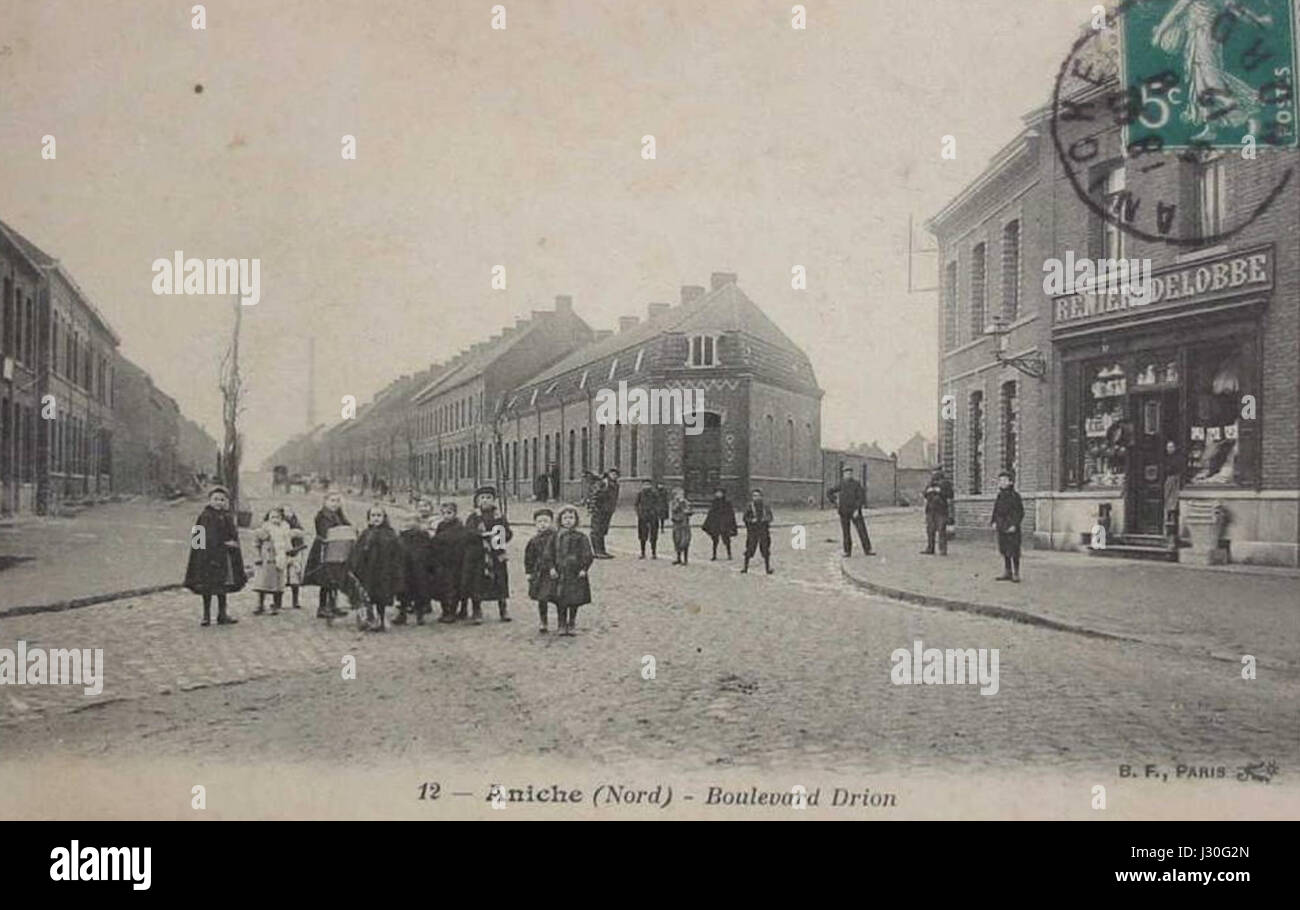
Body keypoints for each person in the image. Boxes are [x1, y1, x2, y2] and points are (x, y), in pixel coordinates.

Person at [183, 485, 246, 626]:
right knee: (207, 587)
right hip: (207, 558)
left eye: (222, 500)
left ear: (226, 502)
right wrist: (198, 558)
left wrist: (233, 544)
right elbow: (197, 540)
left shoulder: (227, 517)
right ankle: (206, 616)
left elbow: (233, 535)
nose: (219, 502)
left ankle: (222, 614)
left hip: (224, 559)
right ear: (209, 500)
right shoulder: (204, 517)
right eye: (216, 499)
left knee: (222, 587)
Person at [349, 505, 406, 631]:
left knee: (382, 596)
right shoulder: (365, 534)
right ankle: (369, 618)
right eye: (373, 516)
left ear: (384, 518)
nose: (376, 518)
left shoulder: (390, 534)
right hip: (368, 571)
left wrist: (395, 569)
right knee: (367, 595)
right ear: (369, 518)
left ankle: (381, 618)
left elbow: (397, 553)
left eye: (379, 515)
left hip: (384, 571)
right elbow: (358, 551)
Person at [465, 485, 513, 623]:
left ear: (494, 500)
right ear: (477, 501)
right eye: (482, 498)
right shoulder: (473, 517)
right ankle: (476, 610)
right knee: (477, 582)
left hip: (497, 554)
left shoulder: (499, 516)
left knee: (500, 581)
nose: (485, 501)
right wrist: (481, 534)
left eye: (488, 498)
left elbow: (508, 533)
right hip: (479, 555)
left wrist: (501, 535)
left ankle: (503, 608)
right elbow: (468, 532)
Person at [304, 491, 352, 618]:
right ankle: (322, 607)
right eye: (332, 500)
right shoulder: (322, 516)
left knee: (334, 577)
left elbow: (347, 526)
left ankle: (333, 605)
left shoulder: (339, 515)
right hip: (324, 548)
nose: (335, 503)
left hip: (337, 549)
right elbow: (326, 532)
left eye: (337, 501)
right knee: (325, 579)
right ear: (325, 502)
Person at [553, 504, 594, 636]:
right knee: (560, 599)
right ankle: (561, 623)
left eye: (571, 517)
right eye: (565, 518)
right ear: (560, 520)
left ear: (576, 520)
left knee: (574, 599)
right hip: (560, 573)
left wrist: (584, 568)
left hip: (575, 573)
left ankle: (572, 623)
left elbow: (587, 554)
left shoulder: (581, 537)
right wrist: (551, 568)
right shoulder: (556, 537)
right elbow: (549, 553)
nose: (568, 520)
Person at [431, 501, 474, 623]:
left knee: (454, 588)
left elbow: (458, 541)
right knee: (442, 587)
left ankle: (453, 611)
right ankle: (445, 611)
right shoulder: (441, 526)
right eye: (443, 513)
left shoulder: (459, 528)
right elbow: (436, 541)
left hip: (455, 563)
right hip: (442, 562)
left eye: (449, 513)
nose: (446, 516)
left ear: (455, 513)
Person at [396, 508, 437, 625]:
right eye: (406, 521)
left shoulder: (423, 536)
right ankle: (402, 613)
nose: (409, 523)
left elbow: (429, 551)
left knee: (420, 592)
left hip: (419, 568)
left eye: (412, 520)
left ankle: (420, 615)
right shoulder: (401, 537)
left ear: (418, 522)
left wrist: (429, 565)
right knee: (403, 592)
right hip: (404, 568)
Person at [251, 506, 293, 615]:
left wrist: (289, 555)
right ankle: (260, 604)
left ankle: (276, 605)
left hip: (279, 559)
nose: (275, 519)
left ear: (282, 519)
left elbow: (288, 545)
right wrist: (258, 556)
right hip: (265, 559)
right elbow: (256, 544)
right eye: (272, 517)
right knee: (262, 583)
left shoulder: (285, 530)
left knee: (277, 584)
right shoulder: (263, 530)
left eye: (278, 517)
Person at [524, 508, 559, 633]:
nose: (543, 524)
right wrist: (528, 572)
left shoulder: (557, 538)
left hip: (553, 572)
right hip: (539, 573)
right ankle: (543, 621)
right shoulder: (533, 541)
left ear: (552, 522)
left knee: (558, 597)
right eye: (539, 522)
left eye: (546, 521)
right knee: (541, 598)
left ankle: (562, 622)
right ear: (535, 524)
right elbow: (528, 558)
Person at [828, 465, 874, 557]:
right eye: (846, 473)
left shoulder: (856, 484)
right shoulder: (840, 484)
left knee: (862, 530)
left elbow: (861, 497)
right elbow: (829, 492)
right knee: (846, 532)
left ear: (852, 474)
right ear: (844, 474)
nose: (848, 474)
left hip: (855, 511)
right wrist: (835, 500)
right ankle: (847, 551)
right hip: (844, 511)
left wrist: (857, 509)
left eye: (850, 473)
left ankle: (868, 550)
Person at [990, 469, 1025, 582]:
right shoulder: (1000, 496)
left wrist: (1014, 524)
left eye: (1004, 480)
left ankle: (1016, 573)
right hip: (1001, 525)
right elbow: (996, 510)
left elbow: (1019, 512)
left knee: (1014, 550)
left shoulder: (1015, 496)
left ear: (1011, 482)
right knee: (1004, 549)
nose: (1002, 483)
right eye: (1000, 481)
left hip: (1011, 527)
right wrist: (994, 521)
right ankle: (1007, 571)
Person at [920, 470, 954, 556]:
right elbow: (924, 494)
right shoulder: (930, 484)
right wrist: (929, 491)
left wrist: (940, 491)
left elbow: (950, 494)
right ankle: (930, 548)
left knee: (941, 529)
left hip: (941, 510)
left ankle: (942, 550)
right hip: (930, 510)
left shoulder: (946, 484)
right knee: (930, 530)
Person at [281, 504, 308, 608]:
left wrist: (297, 549)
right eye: (285, 513)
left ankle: (295, 600)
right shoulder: (279, 528)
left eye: (289, 513)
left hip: (295, 555)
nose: (287, 516)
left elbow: (301, 542)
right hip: (282, 554)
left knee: (294, 578)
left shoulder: (297, 529)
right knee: (280, 578)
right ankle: (278, 601)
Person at [741, 488, 774, 575]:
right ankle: (745, 567)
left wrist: (765, 519)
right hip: (753, 530)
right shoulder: (750, 506)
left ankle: (768, 568)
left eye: (758, 496)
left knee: (765, 549)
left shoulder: (765, 507)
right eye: (754, 496)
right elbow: (745, 518)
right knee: (750, 548)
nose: (756, 498)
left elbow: (770, 517)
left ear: (761, 497)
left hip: (763, 529)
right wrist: (751, 520)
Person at [702, 487, 738, 560]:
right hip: (716, 523)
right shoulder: (714, 503)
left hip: (724, 523)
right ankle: (714, 555)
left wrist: (731, 524)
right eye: (717, 493)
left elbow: (731, 514)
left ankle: (729, 554)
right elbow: (711, 513)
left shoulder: (727, 503)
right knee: (715, 539)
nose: (718, 494)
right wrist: (707, 523)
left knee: (726, 539)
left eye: (720, 493)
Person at [589, 470, 619, 559]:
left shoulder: (615, 485)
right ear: (609, 474)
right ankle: (597, 551)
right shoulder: (603, 483)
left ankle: (602, 551)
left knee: (602, 531)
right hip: (600, 510)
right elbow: (595, 495)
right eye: (612, 474)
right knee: (597, 530)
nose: (614, 476)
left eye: (616, 474)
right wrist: (594, 508)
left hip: (608, 511)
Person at [634, 479, 660, 559]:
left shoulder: (655, 494)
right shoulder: (640, 494)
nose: (646, 486)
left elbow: (659, 504)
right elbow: (636, 505)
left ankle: (654, 553)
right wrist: (639, 513)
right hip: (643, 517)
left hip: (653, 517)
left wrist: (655, 512)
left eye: (648, 485)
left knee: (653, 535)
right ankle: (643, 552)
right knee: (642, 535)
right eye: (645, 485)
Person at [670, 487, 693, 565]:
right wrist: (679, 504)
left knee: (685, 541)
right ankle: (678, 558)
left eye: (680, 494)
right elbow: (674, 510)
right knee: (677, 541)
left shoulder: (686, 502)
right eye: (677, 494)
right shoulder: (673, 503)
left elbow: (690, 511)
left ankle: (685, 559)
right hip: (677, 524)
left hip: (684, 524)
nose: (679, 496)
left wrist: (687, 511)